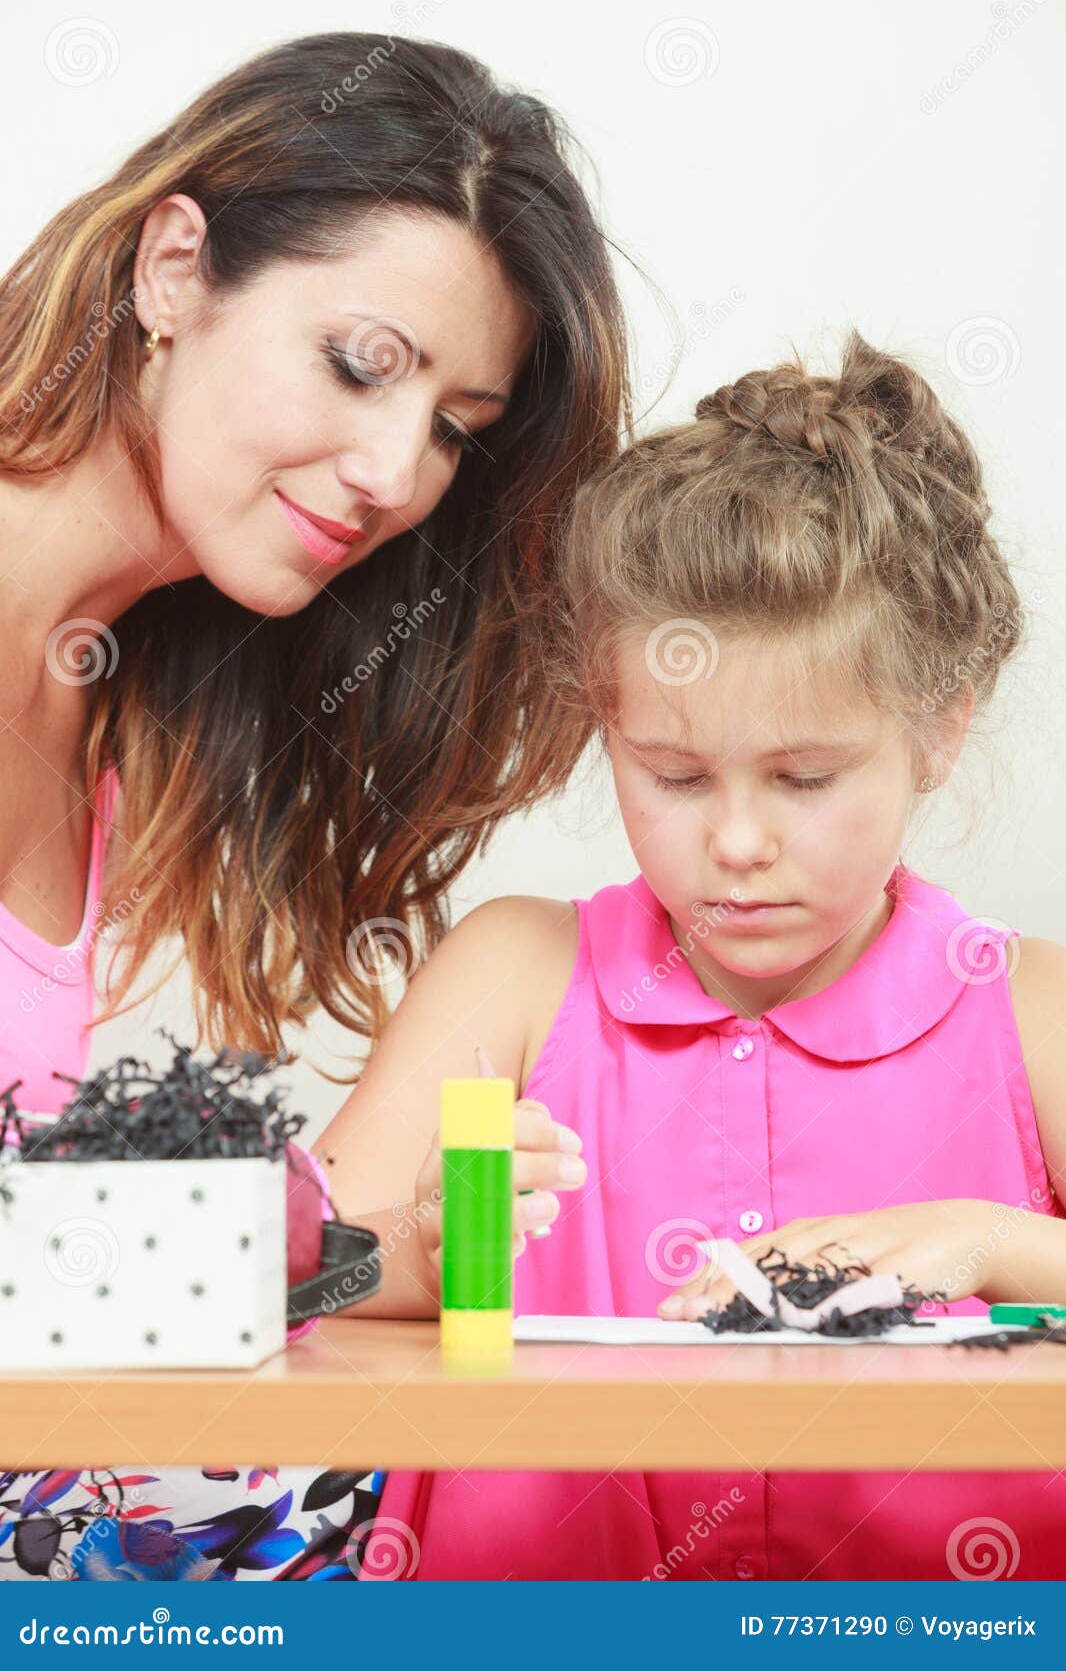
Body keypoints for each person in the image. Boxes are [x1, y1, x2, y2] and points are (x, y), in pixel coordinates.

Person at [0, 30, 633, 1580]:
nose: (394, 474)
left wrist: (356, 1260)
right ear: (171, 268)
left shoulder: (113, 720)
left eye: (453, 429)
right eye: (361, 364)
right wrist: (279, 1257)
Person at [316, 331, 1066, 1580]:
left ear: (940, 730)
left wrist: (993, 1243)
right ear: (604, 722)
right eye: (670, 775)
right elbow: (267, 1272)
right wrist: (429, 1238)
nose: (735, 843)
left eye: (805, 776)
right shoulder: (515, 977)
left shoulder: (1024, 1012)